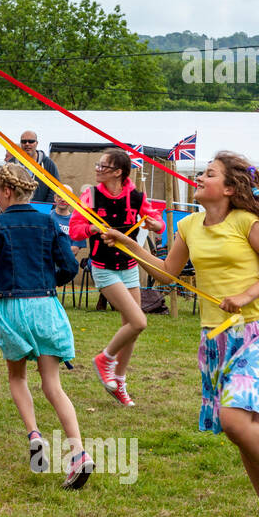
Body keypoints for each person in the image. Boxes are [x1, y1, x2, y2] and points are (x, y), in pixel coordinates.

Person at [102, 151, 259, 517]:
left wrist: (245, 295)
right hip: (215, 338)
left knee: (234, 420)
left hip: (254, 331)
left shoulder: (248, 223)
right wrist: (128, 243)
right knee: (243, 433)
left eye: (208, 173)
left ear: (229, 187)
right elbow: (166, 274)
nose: (198, 176)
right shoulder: (189, 224)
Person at [0, 164, 91, 486]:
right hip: (45, 306)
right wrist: (49, 282)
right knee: (52, 385)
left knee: (17, 377)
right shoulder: (49, 221)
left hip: (11, 309)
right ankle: (78, 451)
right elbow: (68, 266)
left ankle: (34, 435)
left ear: (7, 192)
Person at [68, 148, 164, 407]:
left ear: (118, 172)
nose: (97, 169)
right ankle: (105, 358)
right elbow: (75, 231)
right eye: (98, 165)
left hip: (130, 266)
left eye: (103, 166)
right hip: (103, 266)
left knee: (130, 329)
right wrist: (91, 227)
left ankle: (119, 382)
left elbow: (156, 219)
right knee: (139, 321)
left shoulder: (136, 196)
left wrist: (155, 224)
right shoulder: (91, 195)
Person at [7, 130, 60, 204]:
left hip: (41, 210)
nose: (27, 144)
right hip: (16, 209)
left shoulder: (48, 164)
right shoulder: (11, 164)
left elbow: (55, 188)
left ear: (36, 143)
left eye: (31, 141)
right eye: (24, 141)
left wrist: (46, 207)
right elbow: (4, 187)